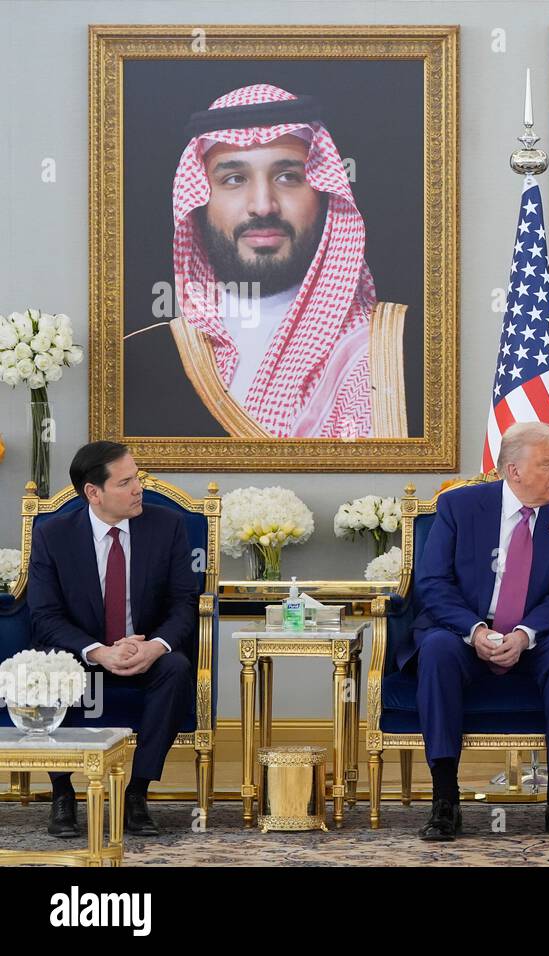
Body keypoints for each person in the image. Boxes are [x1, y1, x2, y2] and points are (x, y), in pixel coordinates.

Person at [124, 83, 410, 439]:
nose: (263, 205)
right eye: (234, 179)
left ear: (323, 194)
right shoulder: (147, 358)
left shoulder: (396, 348)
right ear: (199, 200)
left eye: (288, 177)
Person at [401, 422, 549, 841]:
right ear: (513, 470)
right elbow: (432, 583)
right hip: (463, 632)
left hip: (536, 637)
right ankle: (444, 801)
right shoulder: (460, 508)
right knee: (435, 649)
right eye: (546, 464)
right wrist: (475, 632)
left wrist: (525, 634)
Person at [26, 441, 198, 837]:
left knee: (177, 667)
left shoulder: (165, 525)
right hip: (81, 655)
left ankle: (136, 793)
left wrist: (155, 645)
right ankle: (62, 792)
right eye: (127, 482)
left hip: (146, 653)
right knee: (44, 668)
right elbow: (44, 616)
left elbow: (183, 602)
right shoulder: (53, 534)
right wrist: (99, 651)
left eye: (137, 476)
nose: (140, 487)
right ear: (93, 492)